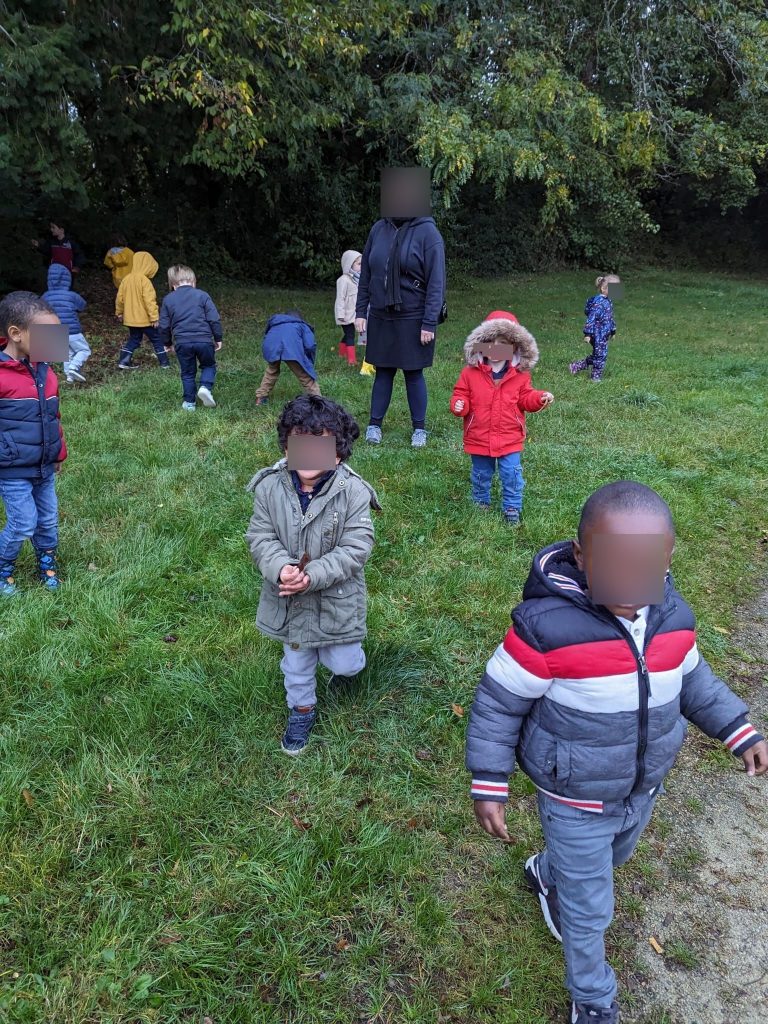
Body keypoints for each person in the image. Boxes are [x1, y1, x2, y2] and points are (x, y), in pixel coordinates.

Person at [465, 480, 768, 1024]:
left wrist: (737, 729)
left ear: (667, 557)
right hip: (573, 793)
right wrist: (489, 780)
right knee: (590, 909)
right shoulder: (545, 629)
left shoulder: (673, 619)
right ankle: (594, 998)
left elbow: (693, 680)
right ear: (581, 556)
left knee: (612, 859)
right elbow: (497, 702)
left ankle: (547, 871)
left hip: (639, 788)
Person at [245, 395, 380, 754]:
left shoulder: (352, 492)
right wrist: (279, 569)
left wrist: (314, 573)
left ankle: (344, 665)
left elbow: (357, 546)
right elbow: (260, 536)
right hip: (288, 600)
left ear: (337, 453)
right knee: (297, 662)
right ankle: (301, 709)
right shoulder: (269, 487)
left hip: (336, 600)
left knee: (345, 664)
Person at [450, 310, 554, 526]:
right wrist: (459, 405)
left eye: (503, 343)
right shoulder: (469, 373)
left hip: (509, 437)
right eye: (490, 342)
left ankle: (512, 507)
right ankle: (480, 502)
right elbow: (461, 394)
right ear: (481, 344)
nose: (495, 349)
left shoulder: (520, 375)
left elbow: (525, 398)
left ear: (515, 347)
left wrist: (538, 398)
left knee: (512, 475)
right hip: (479, 436)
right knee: (480, 473)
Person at [354, 211, 445, 448]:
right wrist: (360, 311)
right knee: (382, 371)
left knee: (413, 373)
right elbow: (366, 272)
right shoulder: (378, 229)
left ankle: (419, 429)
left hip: (413, 315)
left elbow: (436, 281)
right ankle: (374, 425)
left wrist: (429, 322)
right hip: (381, 314)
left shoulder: (428, 233)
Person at [0, 292, 68, 596]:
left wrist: (58, 452)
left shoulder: (44, 369)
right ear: (16, 333)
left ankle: (46, 561)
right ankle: (3, 567)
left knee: (48, 519)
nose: (53, 340)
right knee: (23, 522)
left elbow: (52, 414)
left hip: (44, 464)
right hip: (13, 466)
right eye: (46, 334)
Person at [159, 264, 223, 411]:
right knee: (208, 365)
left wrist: (167, 343)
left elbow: (163, 325)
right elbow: (214, 318)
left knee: (187, 372)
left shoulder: (168, 299)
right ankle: (205, 387)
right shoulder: (202, 295)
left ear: (173, 285)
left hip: (182, 342)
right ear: (193, 282)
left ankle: (189, 403)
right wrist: (218, 337)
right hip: (204, 340)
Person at [115, 251, 170, 369]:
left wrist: (119, 312)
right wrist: (154, 318)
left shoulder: (126, 279)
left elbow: (119, 299)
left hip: (131, 320)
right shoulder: (144, 281)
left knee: (134, 339)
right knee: (157, 339)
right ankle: (164, 363)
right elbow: (150, 301)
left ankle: (123, 361)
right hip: (146, 320)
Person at [255, 310, 320, 406]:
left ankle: (260, 398)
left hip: (272, 347)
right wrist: (308, 360)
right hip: (291, 350)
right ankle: (319, 402)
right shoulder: (301, 325)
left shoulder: (276, 322)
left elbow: (268, 336)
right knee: (305, 376)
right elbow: (310, 346)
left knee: (271, 371)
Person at [41, 265, 91, 384]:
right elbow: (82, 306)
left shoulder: (45, 296)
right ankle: (74, 368)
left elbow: (39, 311)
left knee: (67, 353)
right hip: (71, 330)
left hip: (53, 331)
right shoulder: (72, 295)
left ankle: (69, 378)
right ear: (67, 279)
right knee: (84, 350)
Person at [569, 275, 620, 383]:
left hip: (604, 334)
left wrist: (613, 330)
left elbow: (610, 317)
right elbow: (591, 317)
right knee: (600, 356)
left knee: (600, 355)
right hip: (596, 334)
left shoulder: (608, 301)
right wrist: (588, 334)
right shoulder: (598, 303)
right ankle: (595, 377)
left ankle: (576, 366)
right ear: (603, 289)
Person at [335, 250, 362, 367]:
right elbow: (340, 299)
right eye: (359, 264)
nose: (361, 266)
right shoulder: (343, 280)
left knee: (348, 334)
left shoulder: (357, 279)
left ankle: (341, 353)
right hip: (345, 315)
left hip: (354, 314)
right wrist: (340, 315)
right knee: (350, 335)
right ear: (349, 264)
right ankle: (352, 361)